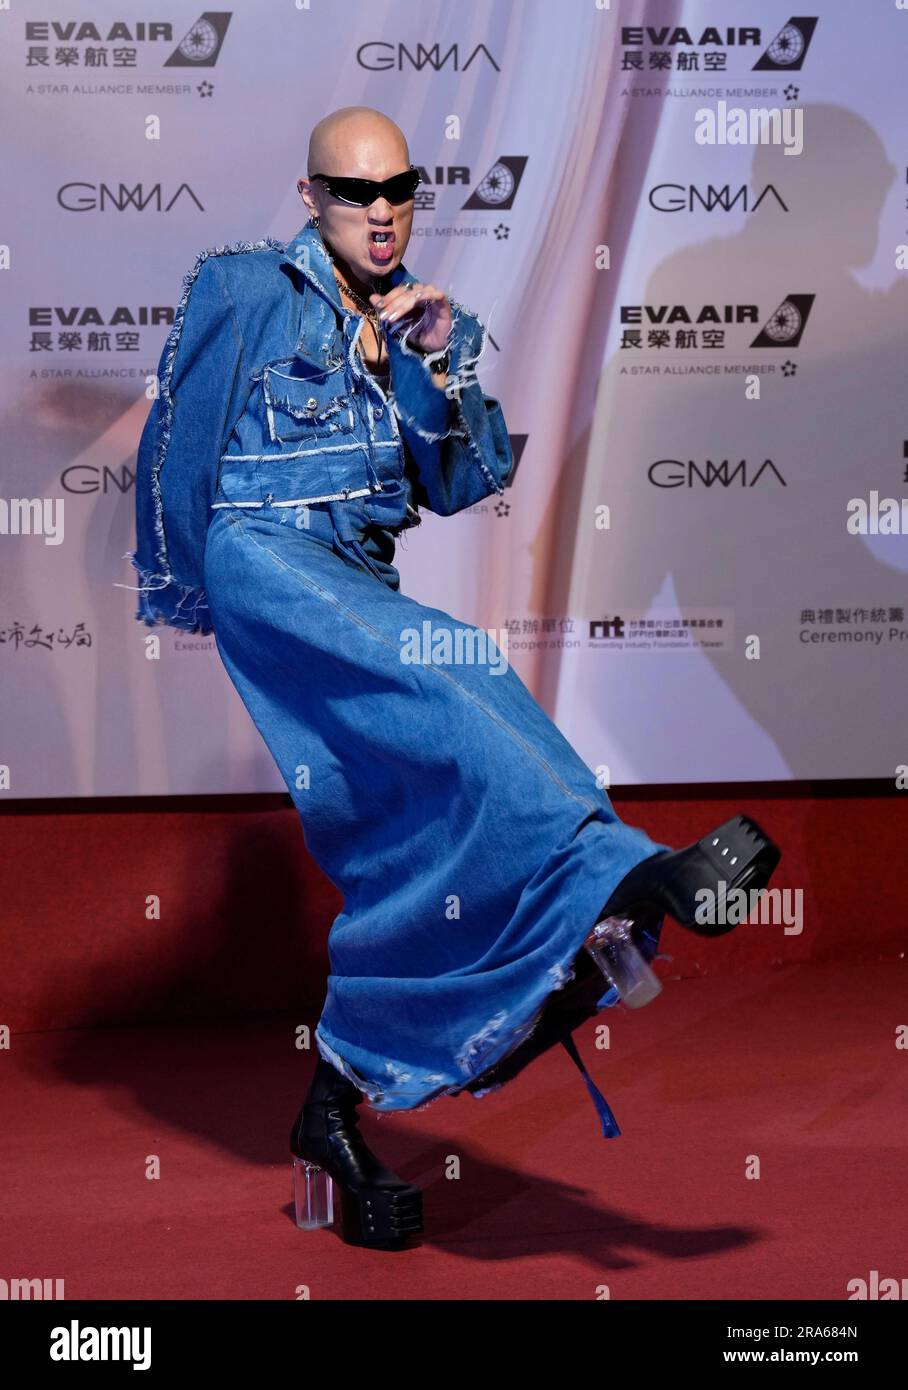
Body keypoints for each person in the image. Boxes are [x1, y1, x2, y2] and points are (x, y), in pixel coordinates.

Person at [122, 106, 781, 1250]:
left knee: (435, 779)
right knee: (455, 687)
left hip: (351, 571)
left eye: (398, 193)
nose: (379, 216)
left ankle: (345, 1088)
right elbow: (176, 443)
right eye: (351, 194)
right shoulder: (239, 286)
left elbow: (460, 479)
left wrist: (442, 358)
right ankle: (618, 886)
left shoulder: (426, 311)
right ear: (308, 193)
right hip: (263, 557)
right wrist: (189, 595)